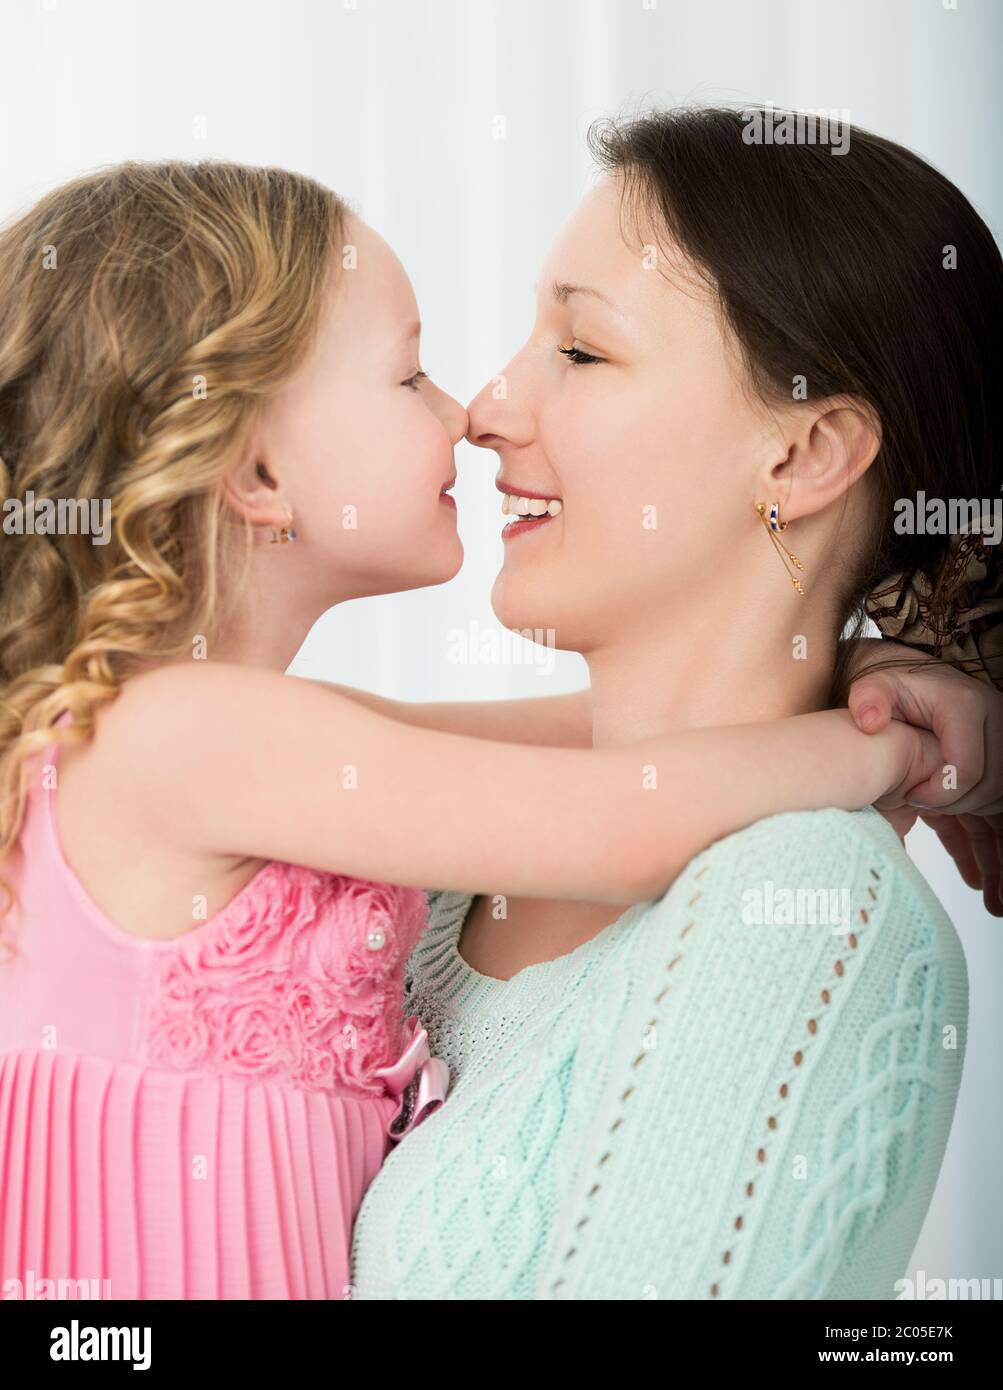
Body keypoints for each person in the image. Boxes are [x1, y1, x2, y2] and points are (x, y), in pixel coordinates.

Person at [348, 106, 1003, 1299]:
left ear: (803, 456)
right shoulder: (436, 851)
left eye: (582, 353)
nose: (485, 409)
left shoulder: (799, 909)